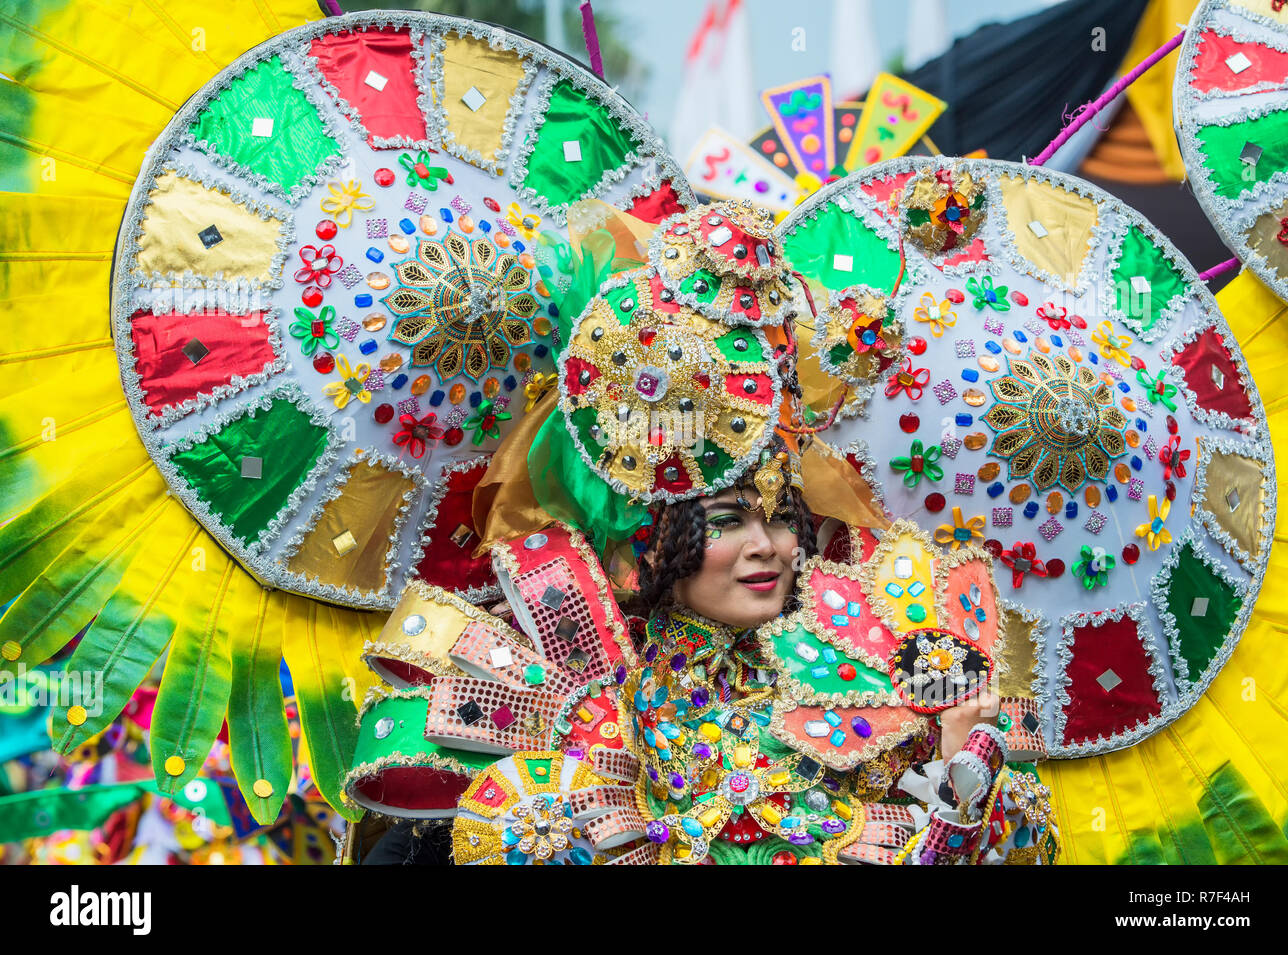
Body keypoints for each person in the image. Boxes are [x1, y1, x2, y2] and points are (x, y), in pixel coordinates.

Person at [348, 200, 1057, 864]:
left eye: (782, 519)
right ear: (649, 540)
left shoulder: (873, 683)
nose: (768, 546)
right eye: (727, 520)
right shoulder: (578, 672)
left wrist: (965, 776)